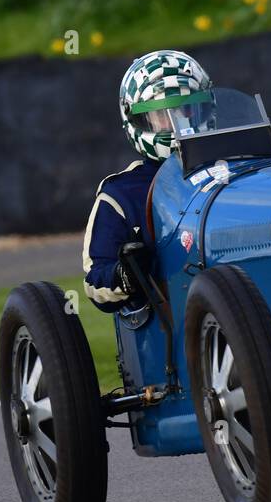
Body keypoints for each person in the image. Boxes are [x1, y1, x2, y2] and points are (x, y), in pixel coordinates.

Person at [82, 49, 213, 311]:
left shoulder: (235, 163)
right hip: (169, 319)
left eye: (185, 109)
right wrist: (127, 274)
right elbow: (94, 281)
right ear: (138, 120)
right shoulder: (121, 194)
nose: (176, 123)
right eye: (162, 115)